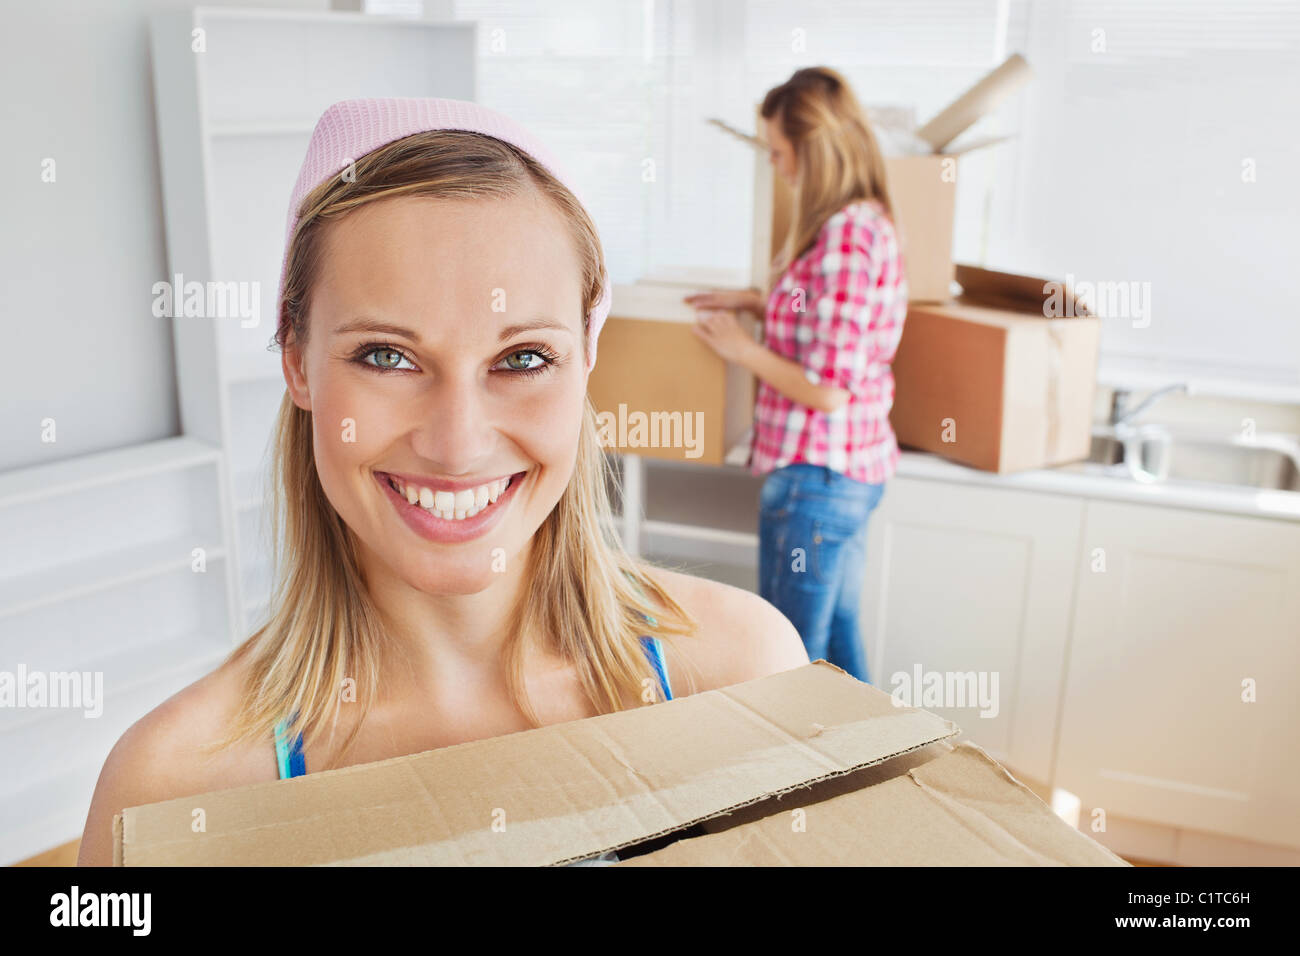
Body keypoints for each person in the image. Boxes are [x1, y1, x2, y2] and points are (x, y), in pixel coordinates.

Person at [77, 97, 807, 866]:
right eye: (387, 356)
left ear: (586, 356)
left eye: (523, 358)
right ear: (296, 359)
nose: (457, 445)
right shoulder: (170, 792)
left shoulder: (741, 676)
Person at [688, 67, 907, 684]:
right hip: (849, 474)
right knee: (834, 644)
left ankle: (805, 781)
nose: (779, 168)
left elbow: (827, 388)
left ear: (813, 148)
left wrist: (741, 349)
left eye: (780, 153)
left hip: (817, 479)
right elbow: (839, 334)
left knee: (788, 665)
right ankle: (882, 768)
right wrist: (761, 304)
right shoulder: (865, 223)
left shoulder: (841, 237)